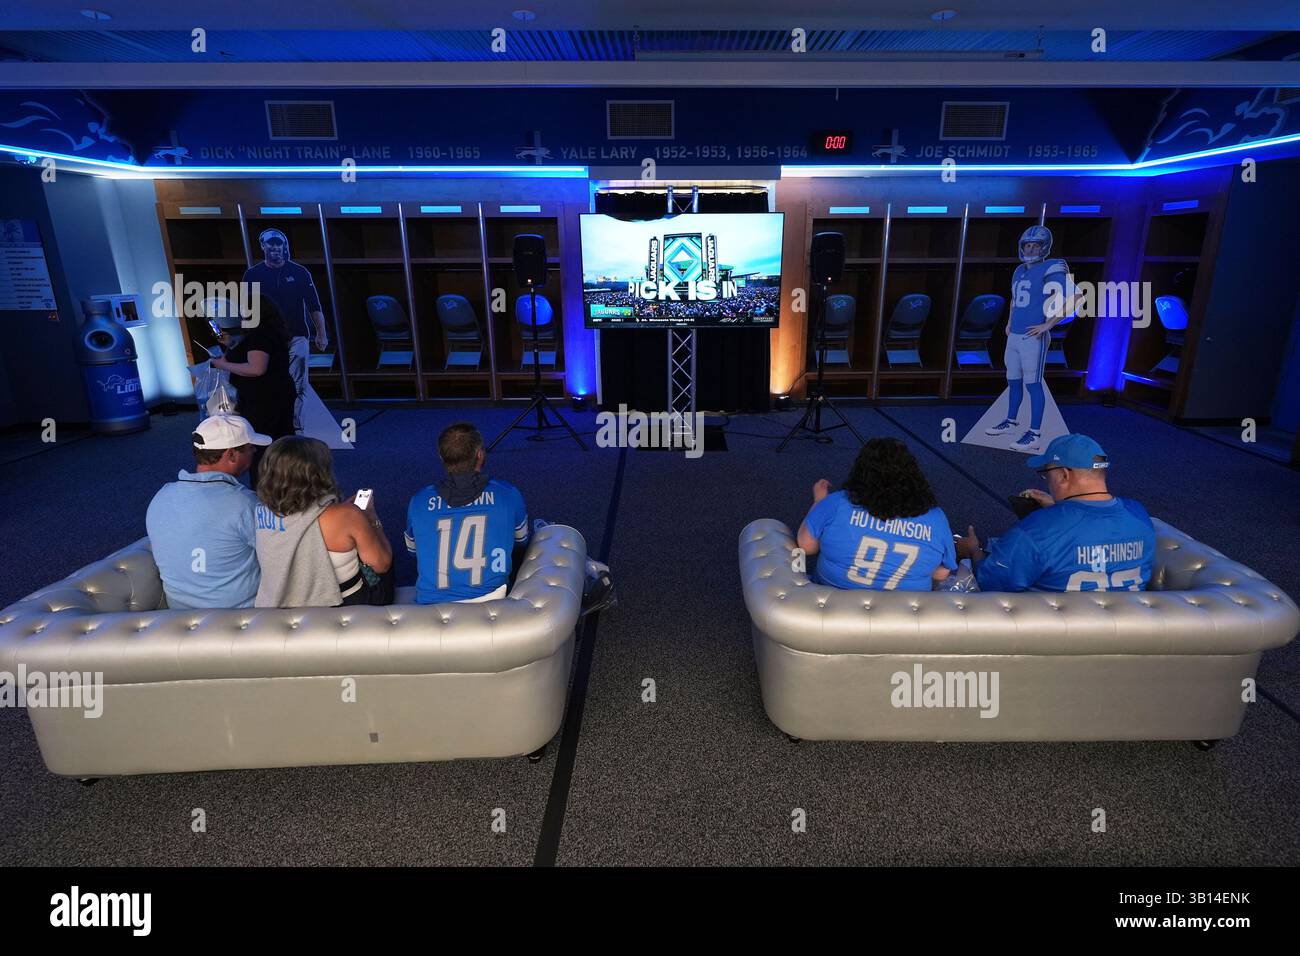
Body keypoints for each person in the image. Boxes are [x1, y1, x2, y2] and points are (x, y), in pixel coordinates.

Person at [956, 433, 1156, 592]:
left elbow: (992, 582)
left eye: (1047, 474)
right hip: (1126, 634)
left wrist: (973, 550)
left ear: (1063, 475)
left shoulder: (1037, 529)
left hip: (1052, 636)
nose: (1047, 481)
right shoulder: (1138, 513)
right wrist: (1057, 509)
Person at [797, 437, 956, 591]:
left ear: (860, 472)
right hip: (903, 613)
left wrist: (819, 502)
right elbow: (941, 573)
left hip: (833, 601)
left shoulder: (836, 502)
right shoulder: (936, 518)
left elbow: (807, 547)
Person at [145, 414, 270, 610]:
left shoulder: (161, 497)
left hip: (178, 618)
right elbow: (278, 556)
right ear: (231, 455)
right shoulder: (245, 504)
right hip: (241, 622)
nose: (254, 452)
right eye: (250, 447)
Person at [253, 436, 394, 607]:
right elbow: (381, 564)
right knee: (386, 562)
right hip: (339, 605)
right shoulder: (347, 515)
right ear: (318, 474)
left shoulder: (261, 511)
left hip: (279, 606)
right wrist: (371, 518)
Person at [405, 422, 530, 604]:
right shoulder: (508, 493)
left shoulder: (418, 501)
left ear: (441, 457)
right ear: (480, 455)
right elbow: (522, 541)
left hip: (432, 606)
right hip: (493, 599)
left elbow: (413, 552)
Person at [984, 224, 1073, 452]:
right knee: (1012, 379)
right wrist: (1009, 322)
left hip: (1034, 336)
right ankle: (1011, 421)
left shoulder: (1052, 267)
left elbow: (1075, 297)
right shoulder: (1019, 270)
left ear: (1045, 247)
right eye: (1028, 245)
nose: (1031, 249)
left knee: (1033, 384)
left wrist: (1048, 324)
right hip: (1014, 334)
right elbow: (1014, 299)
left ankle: (1034, 434)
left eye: (1035, 245)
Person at [242, 228, 328, 434]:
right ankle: (276, 424)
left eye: (279, 244)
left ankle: (296, 428)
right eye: (270, 244)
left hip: (297, 336)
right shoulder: (253, 274)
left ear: (284, 247)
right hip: (268, 340)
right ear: (263, 246)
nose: (275, 248)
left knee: (298, 385)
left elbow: (314, 305)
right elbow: (246, 309)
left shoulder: (299, 272)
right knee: (271, 384)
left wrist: (321, 333)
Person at [210, 294, 297, 487]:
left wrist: (222, 365)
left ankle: (265, 490)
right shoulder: (268, 332)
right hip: (276, 393)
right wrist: (228, 345)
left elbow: (256, 369)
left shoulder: (259, 335)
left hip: (264, 398)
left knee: (261, 444)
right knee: (282, 441)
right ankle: (287, 486)